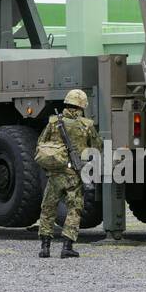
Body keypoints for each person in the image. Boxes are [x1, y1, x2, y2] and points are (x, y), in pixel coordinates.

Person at [36, 88, 99, 259]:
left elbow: (41, 143)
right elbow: (97, 147)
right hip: (73, 174)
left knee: (48, 208)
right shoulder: (86, 125)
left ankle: (45, 247)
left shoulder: (53, 122)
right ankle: (67, 246)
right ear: (82, 106)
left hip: (55, 174)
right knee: (74, 209)